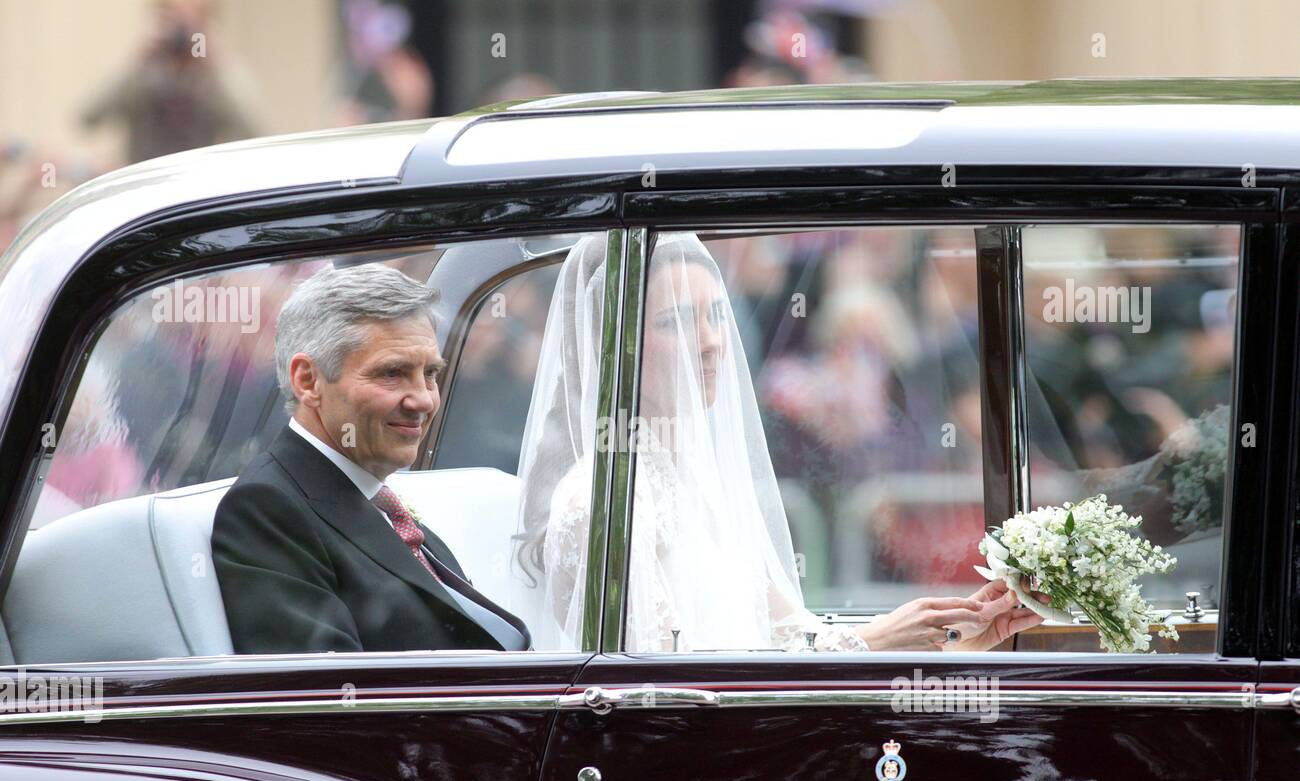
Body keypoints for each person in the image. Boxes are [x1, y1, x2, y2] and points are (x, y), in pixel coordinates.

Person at [512, 233, 1044, 653]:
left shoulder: (697, 477)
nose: (711, 342)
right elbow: (666, 692)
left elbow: (786, 636)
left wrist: (951, 635)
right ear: (615, 349)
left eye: (715, 315)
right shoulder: (600, 502)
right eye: (677, 321)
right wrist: (869, 640)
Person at [212, 263, 529, 654]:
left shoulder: (371, 495)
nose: (424, 400)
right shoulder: (267, 510)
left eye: (430, 373)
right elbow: (327, 702)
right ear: (308, 381)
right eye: (392, 374)